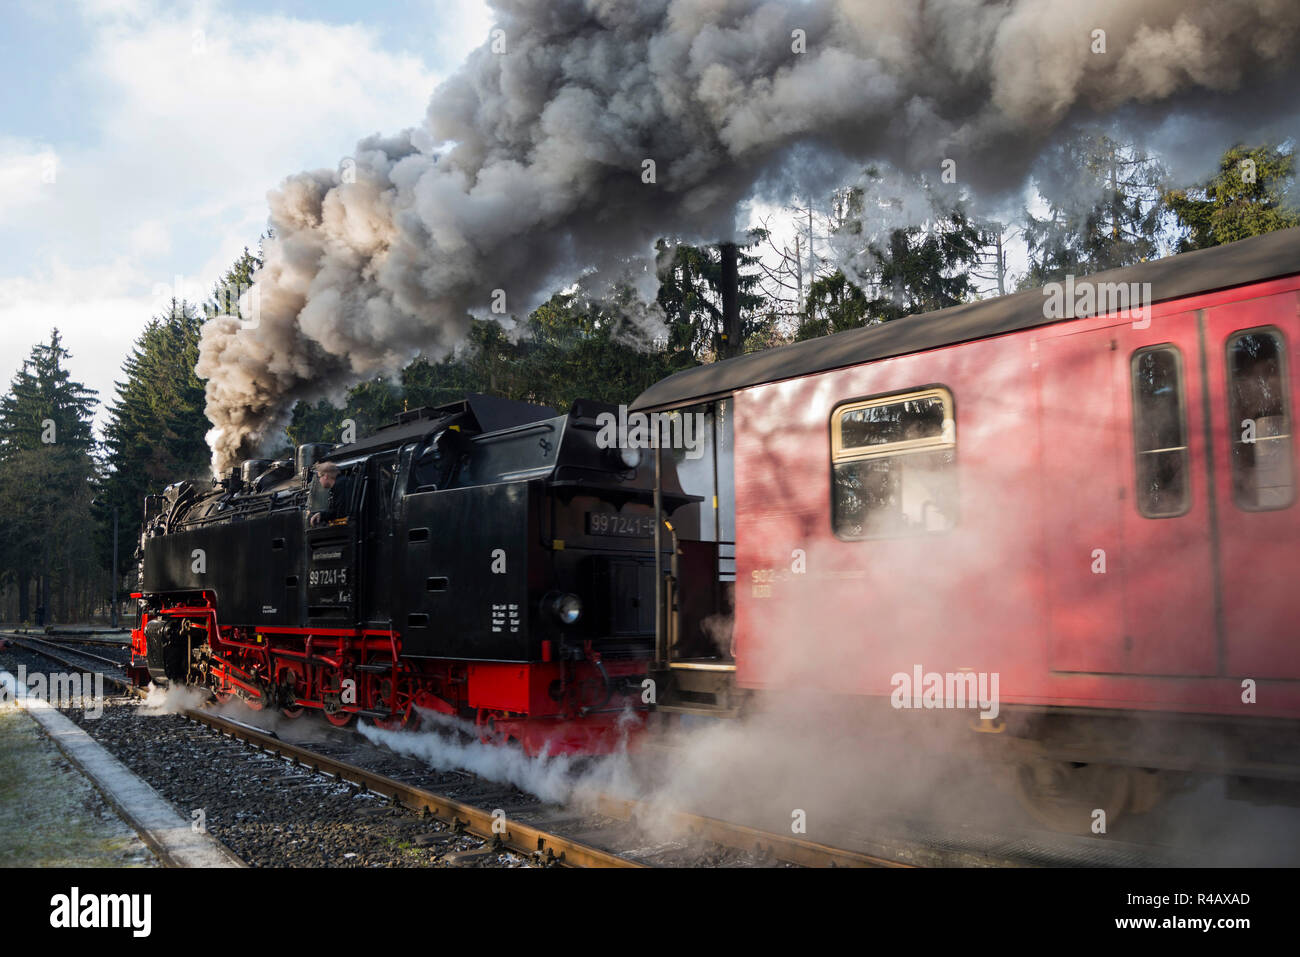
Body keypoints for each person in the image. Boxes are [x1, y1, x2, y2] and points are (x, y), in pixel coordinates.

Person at [308, 462, 351, 526]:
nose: (319, 480)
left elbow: (340, 513)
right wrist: (321, 514)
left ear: (326, 476)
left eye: (319, 477)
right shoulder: (340, 483)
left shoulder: (340, 486)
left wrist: (323, 515)